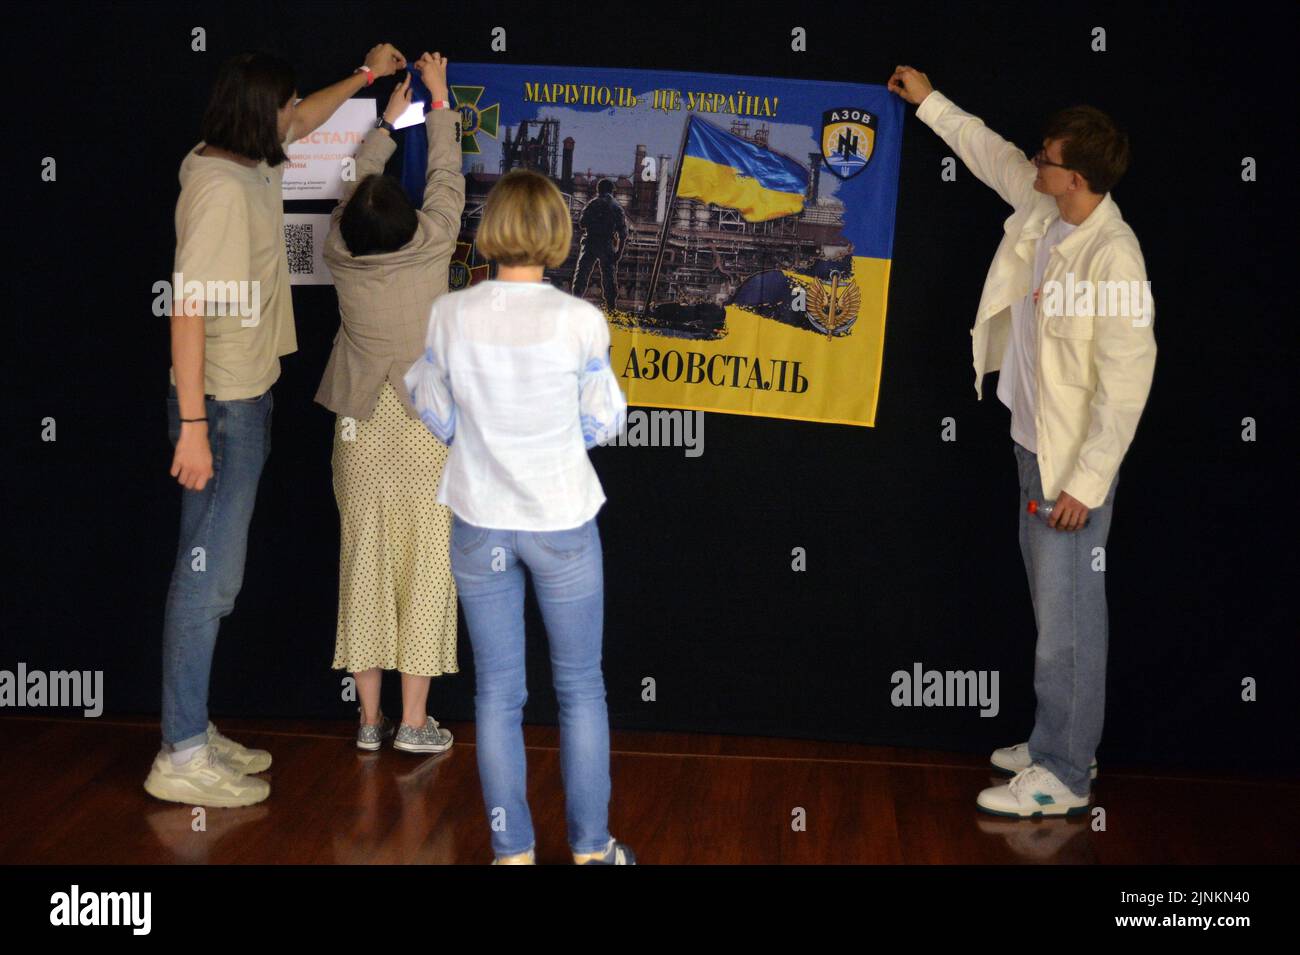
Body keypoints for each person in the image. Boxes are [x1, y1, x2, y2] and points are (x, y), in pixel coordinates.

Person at [887, 66, 1156, 817]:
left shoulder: (1114, 258)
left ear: (1077, 179)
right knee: (1053, 612)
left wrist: (1087, 483)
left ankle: (1064, 773)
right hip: (1031, 447)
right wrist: (929, 100)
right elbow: (988, 150)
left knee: (1069, 623)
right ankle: (1055, 741)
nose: (1034, 163)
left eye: (1048, 158)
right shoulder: (1045, 212)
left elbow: (1127, 385)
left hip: (1071, 471)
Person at [146, 44, 410, 808]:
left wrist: (364, 79)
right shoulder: (221, 191)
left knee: (213, 577)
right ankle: (180, 752)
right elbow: (186, 310)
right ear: (265, 115)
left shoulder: (246, 156)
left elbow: (308, 116)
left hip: (244, 398)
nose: (299, 118)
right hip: (221, 411)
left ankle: (190, 727)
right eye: (288, 108)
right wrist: (193, 426)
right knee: (207, 581)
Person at [404, 169, 634, 864]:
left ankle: (513, 853)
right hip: (561, 518)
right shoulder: (580, 321)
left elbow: (426, 397)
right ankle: (593, 852)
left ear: (492, 227)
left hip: (479, 519)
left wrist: (474, 437)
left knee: (498, 694)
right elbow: (606, 419)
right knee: (580, 689)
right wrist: (555, 441)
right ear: (559, 234)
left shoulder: (451, 313)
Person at [316, 52, 465, 754]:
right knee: (428, 565)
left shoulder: (338, 252)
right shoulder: (432, 245)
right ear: (409, 218)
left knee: (364, 559)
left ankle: (368, 723)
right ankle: (413, 724)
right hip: (425, 431)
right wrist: (437, 101)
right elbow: (447, 178)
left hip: (358, 425)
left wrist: (385, 119)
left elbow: (349, 191)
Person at [571, 178, 628, 311]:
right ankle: (611, 308)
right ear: (611, 191)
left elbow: (582, 223)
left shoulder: (592, 204)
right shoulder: (616, 207)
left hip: (590, 241)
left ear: (598, 190)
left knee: (582, 273)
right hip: (606, 243)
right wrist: (618, 252)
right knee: (609, 275)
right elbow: (623, 233)